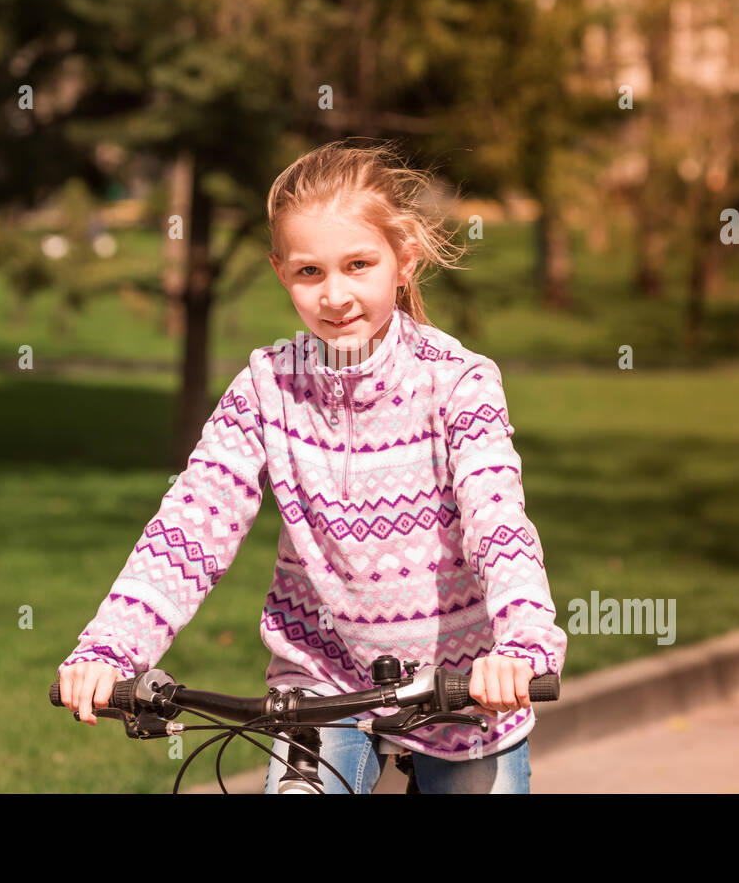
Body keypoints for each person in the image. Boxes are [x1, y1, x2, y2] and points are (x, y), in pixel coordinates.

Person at [58, 139, 567, 793]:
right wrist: (110, 650)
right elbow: (191, 526)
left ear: (403, 261)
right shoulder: (267, 386)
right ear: (280, 272)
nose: (335, 295)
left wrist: (521, 647)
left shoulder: (458, 384)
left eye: (358, 264)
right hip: (320, 684)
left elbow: (498, 525)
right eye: (309, 272)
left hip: (464, 689)